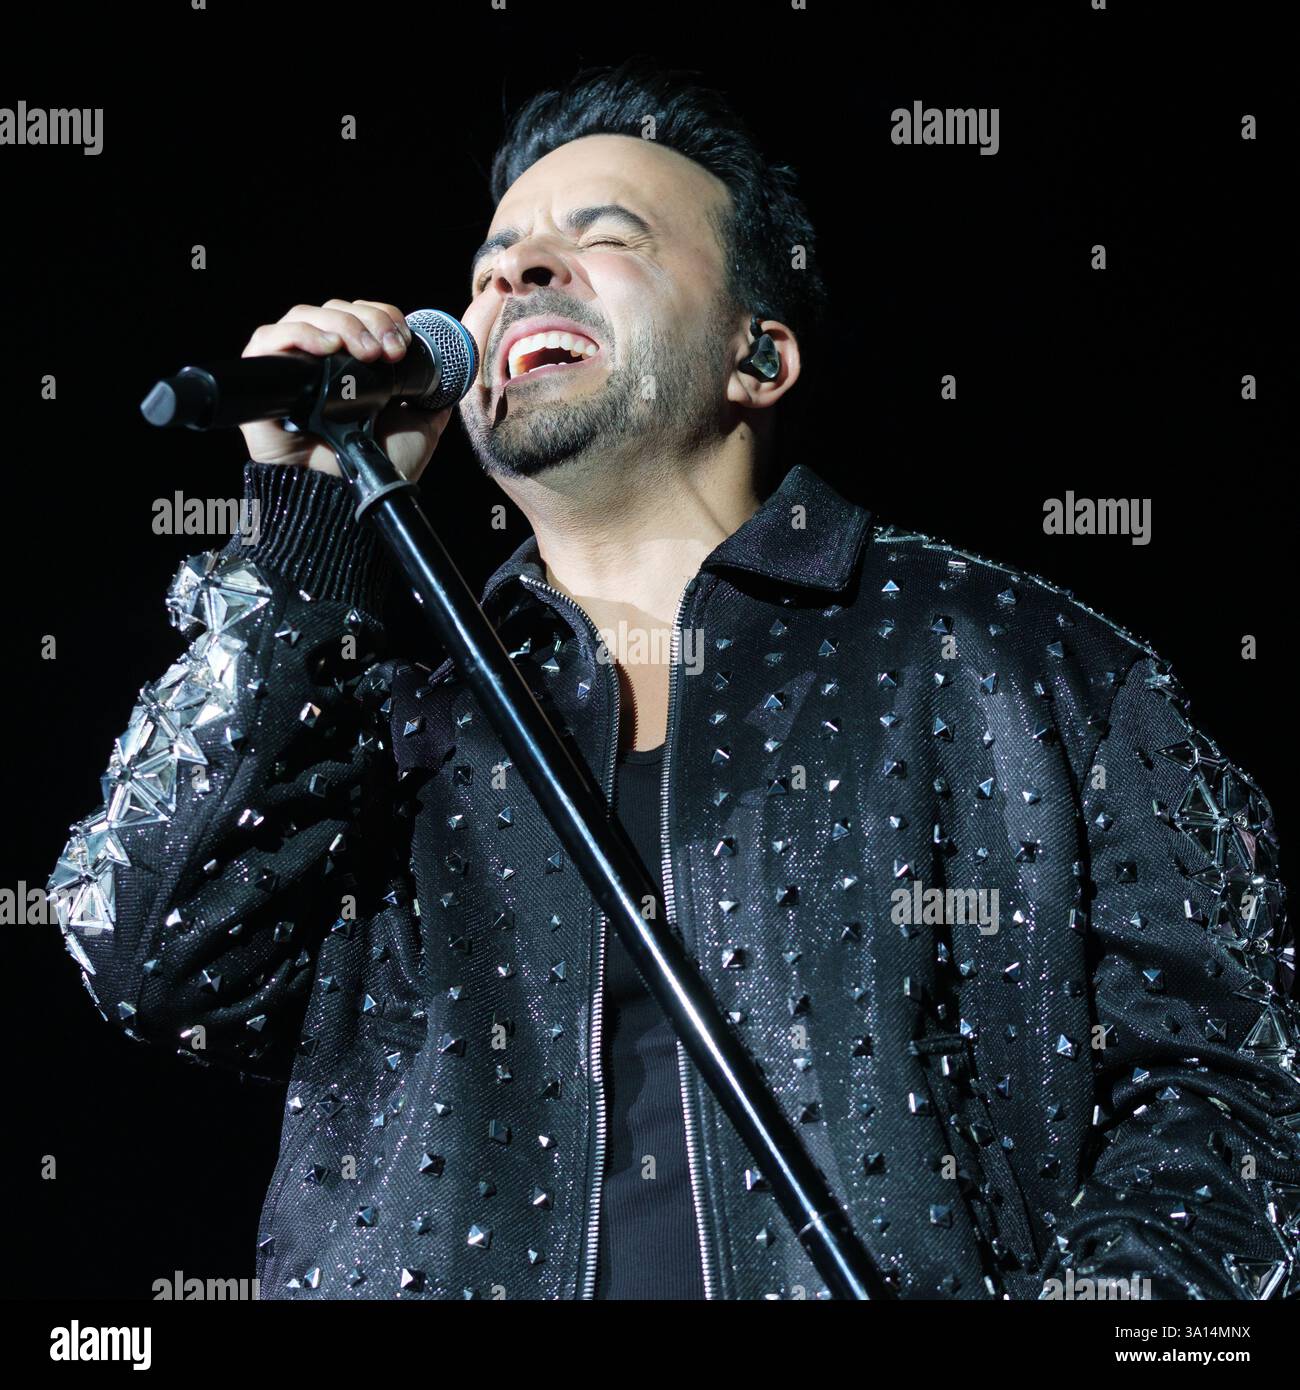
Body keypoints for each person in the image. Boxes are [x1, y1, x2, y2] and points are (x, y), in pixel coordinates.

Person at [49, 61, 1299, 1301]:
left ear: (757, 356)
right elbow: (156, 962)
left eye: (605, 238)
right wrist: (311, 539)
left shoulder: (1014, 662)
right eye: (495, 258)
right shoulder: (392, 714)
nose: (514, 273)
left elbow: (1222, 1092)